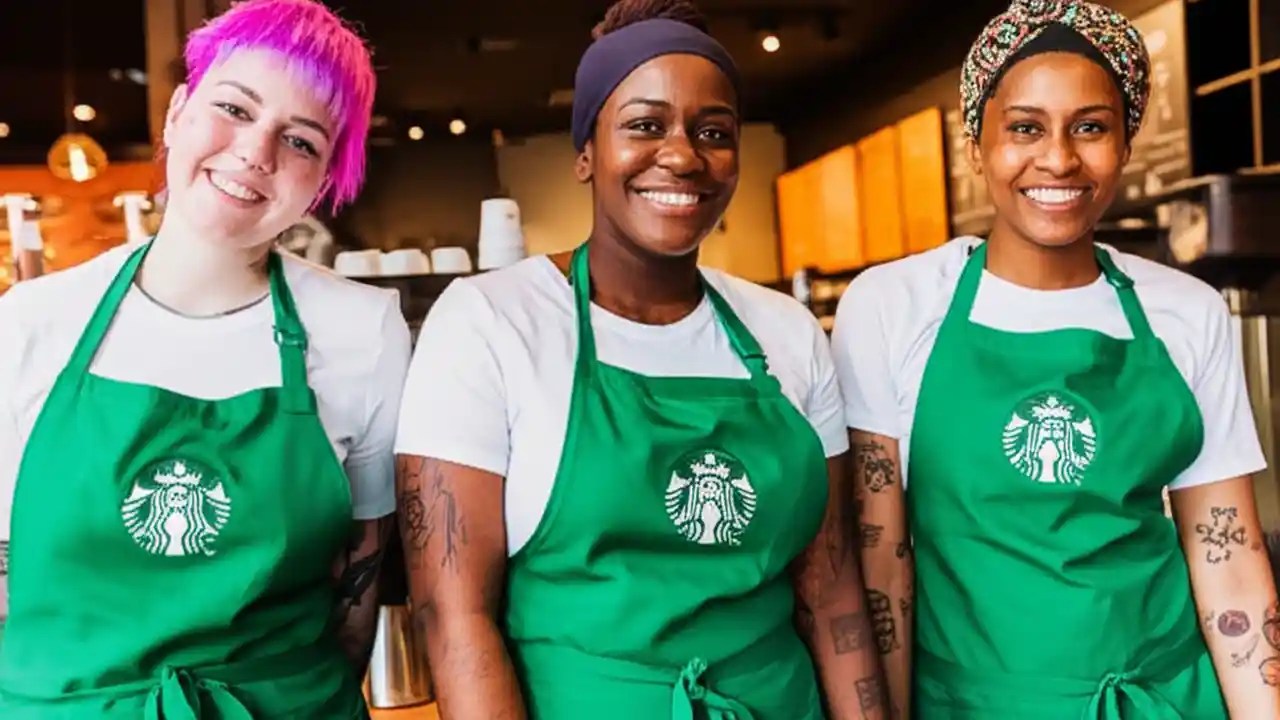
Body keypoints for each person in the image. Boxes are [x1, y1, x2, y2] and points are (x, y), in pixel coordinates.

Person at [393, 0, 887, 717]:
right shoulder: (491, 323)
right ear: (586, 151)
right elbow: (453, 617)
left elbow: (832, 592)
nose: (683, 154)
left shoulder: (787, 332)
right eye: (645, 125)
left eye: (712, 131)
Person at [831, 0, 1280, 717]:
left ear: (1126, 145)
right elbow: (884, 562)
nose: (1060, 158)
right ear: (976, 146)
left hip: (1163, 695)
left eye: (1092, 128)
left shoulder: (1186, 311)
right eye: (1025, 129)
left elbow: (1226, 556)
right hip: (977, 702)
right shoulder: (893, 306)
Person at [0, 0, 408, 716]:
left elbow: (357, 588)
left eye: (302, 141)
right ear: (178, 113)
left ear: (323, 183)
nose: (256, 152)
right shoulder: (29, 324)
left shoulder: (363, 331)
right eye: (234, 108)